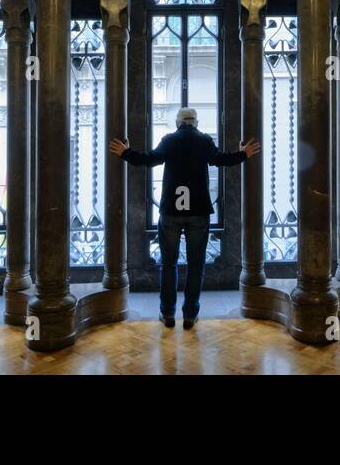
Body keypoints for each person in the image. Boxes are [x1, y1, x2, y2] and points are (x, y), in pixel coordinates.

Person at [110, 109, 260, 330]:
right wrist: (243, 154)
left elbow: (148, 160)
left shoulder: (169, 140)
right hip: (198, 213)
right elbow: (221, 160)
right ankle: (190, 315)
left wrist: (125, 152)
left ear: (177, 122)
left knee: (168, 265)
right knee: (196, 266)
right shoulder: (204, 140)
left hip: (171, 212)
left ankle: (167, 313)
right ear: (196, 122)